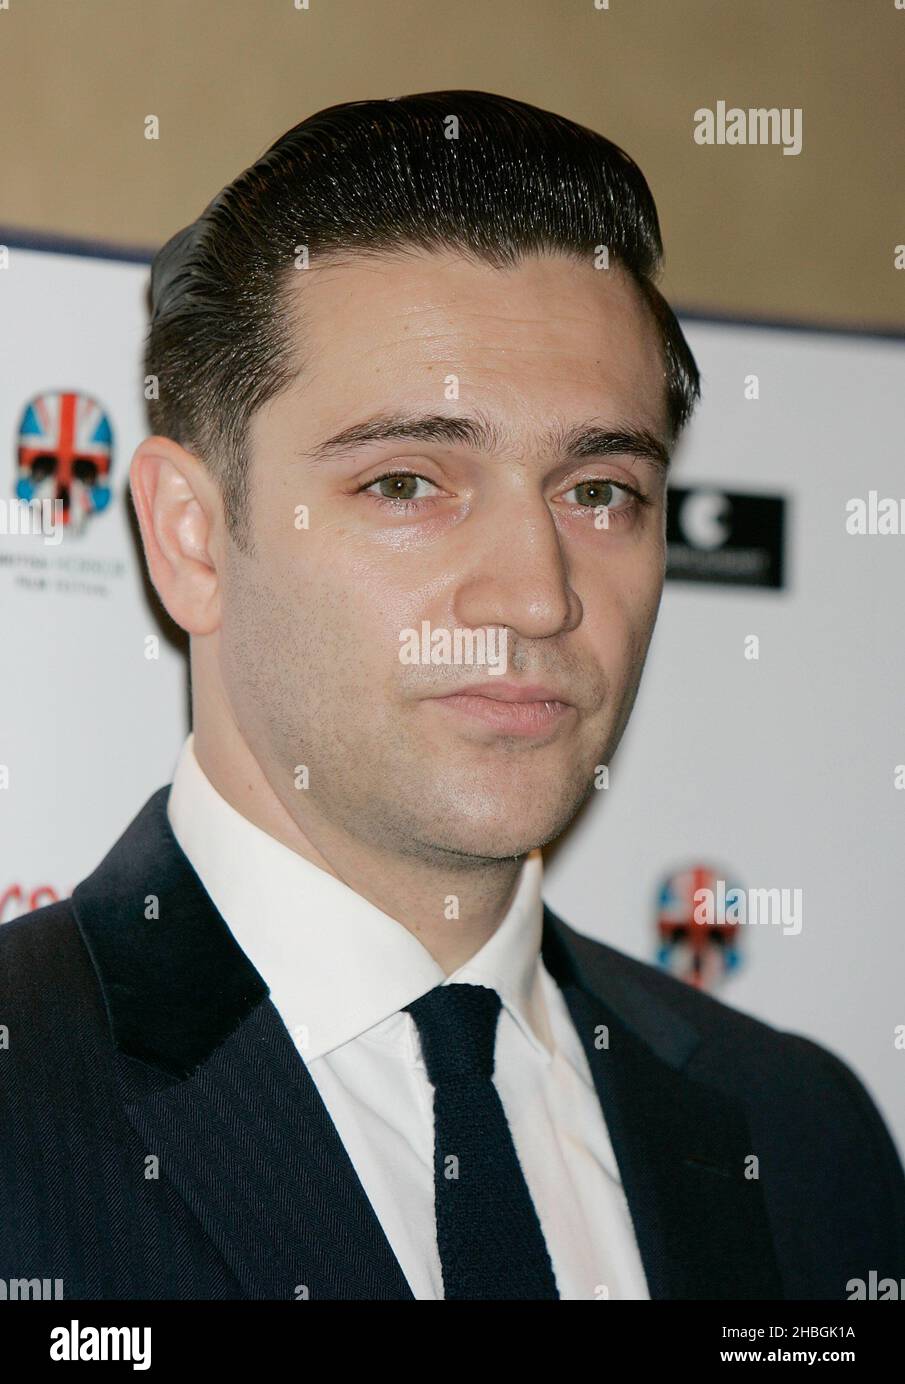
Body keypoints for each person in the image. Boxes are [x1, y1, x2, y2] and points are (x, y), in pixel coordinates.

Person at [2, 91, 902, 1301]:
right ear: (193, 538)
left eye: (597, 491)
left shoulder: (802, 1137)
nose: (538, 596)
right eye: (407, 481)